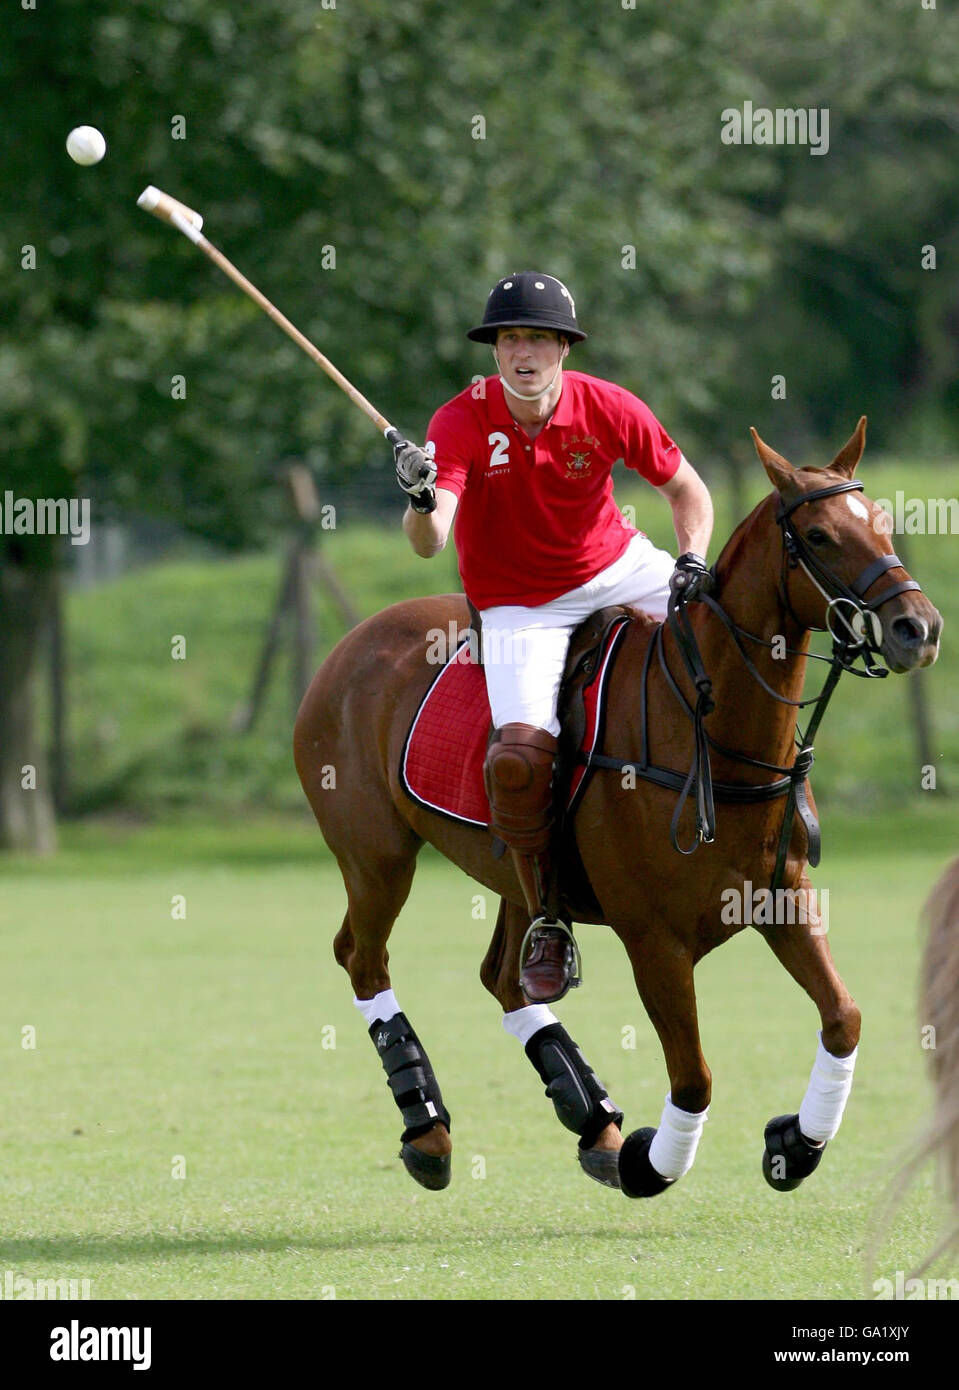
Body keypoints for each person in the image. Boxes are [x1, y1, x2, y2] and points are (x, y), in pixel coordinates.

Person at [394, 271, 714, 1003]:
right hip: (518, 606)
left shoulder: (608, 407)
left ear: (563, 348)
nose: (523, 351)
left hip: (616, 566)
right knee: (520, 752)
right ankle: (545, 916)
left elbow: (686, 490)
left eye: (537, 337)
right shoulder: (460, 421)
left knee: (717, 647)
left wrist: (690, 561)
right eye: (509, 338)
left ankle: (769, 819)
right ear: (495, 351)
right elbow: (428, 540)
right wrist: (417, 498)